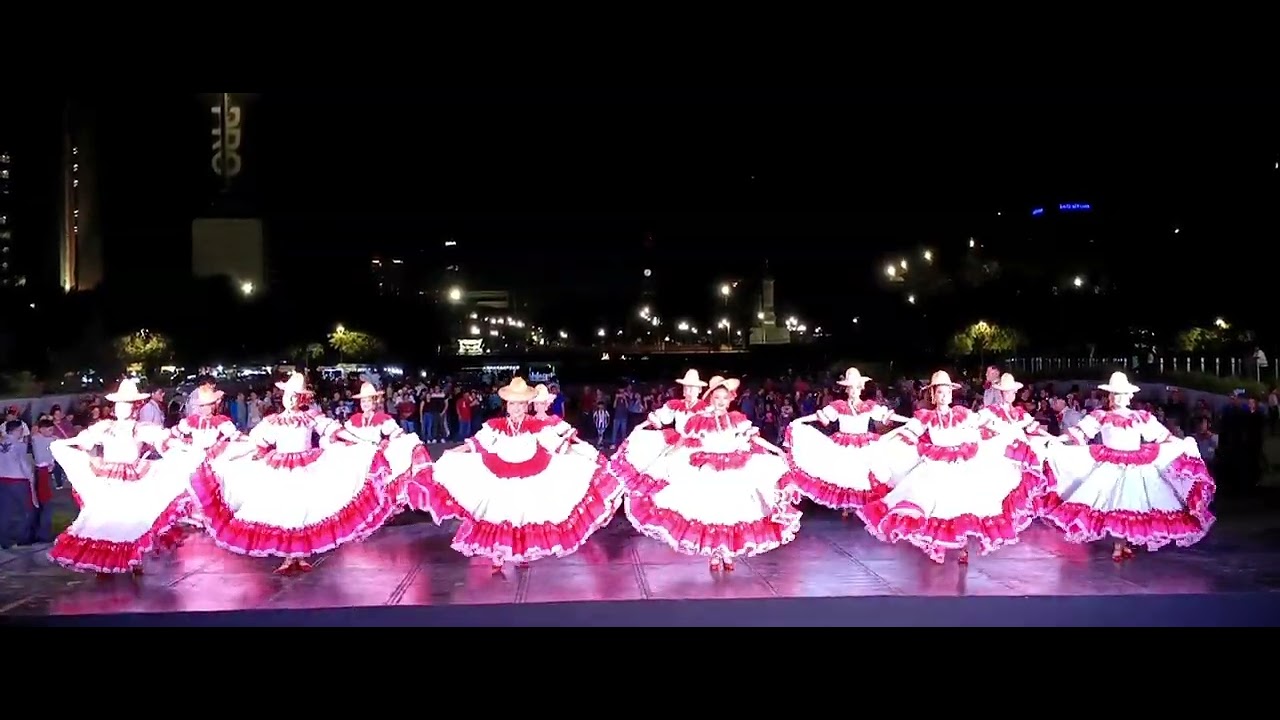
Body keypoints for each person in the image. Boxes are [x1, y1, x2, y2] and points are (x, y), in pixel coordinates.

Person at [187, 372, 396, 575]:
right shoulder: (273, 420)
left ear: (301, 398)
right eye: (288, 395)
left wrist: (359, 442)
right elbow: (258, 441)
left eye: (295, 395)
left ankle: (300, 554)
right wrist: (242, 453)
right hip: (280, 466)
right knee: (284, 511)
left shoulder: (310, 417)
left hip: (306, 465)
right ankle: (288, 556)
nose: (291, 399)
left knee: (302, 511)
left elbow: (332, 429)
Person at [426, 377, 623, 574]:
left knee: (523, 517)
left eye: (520, 404)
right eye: (513, 403)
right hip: (499, 476)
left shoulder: (537, 427)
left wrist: (589, 455)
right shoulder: (495, 426)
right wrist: (452, 453)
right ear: (507, 405)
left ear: (527, 405)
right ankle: (498, 557)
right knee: (498, 515)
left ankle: (521, 554)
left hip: (529, 476)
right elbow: (475, 444)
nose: (517, 408)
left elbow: (559, 444)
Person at [857, 370, 1045, 565]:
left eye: (947, 391)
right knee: (936, 508)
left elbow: (983, 424)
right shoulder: (925, 417)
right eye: (940, 392)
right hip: (934, 466)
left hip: (959, 464)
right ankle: (937, 546)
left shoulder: (962, 414)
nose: (944, 395)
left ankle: (962, 549)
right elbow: (909, 433)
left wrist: (1007, 437)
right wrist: (888, 428)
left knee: (960, 506)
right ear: (933, 394)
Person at [624, 376, 801, 572]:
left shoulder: (736, 419)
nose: (720, 402)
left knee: (730, 512)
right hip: (709, 468)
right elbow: (684, 438)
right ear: (711, 399)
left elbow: (753, 437)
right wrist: (670, 454)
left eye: (724, 398)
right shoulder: (700, 421)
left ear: (730, 399)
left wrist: (776, 450)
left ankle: (727, 553)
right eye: (717, 398)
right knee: (712, 513)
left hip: (733, 467)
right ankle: (715, 554)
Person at [1038, 372, 1216, 561]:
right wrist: (1058, 440)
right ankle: (1118, 545)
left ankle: (1123, 544)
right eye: (1116, 394)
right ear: (1110, 396)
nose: (1119, 398)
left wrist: (1182, 444)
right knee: (1115, 504)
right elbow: (1080, 433)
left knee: (1132, 504)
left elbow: (1161, 436)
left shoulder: (1141, 417)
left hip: (1136, 465)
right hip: (1110, 463)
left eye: (1123, 394)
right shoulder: (1100, 416)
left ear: (1129, 396)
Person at [47, 380, 199, 576]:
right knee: (103, 520)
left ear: (134, 407)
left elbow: (164, 441)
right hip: (108, 477)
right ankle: (104, 564)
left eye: (126, 404)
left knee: (131, 520)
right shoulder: (105, 426)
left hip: (133, 478)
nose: (122, 408)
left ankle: (133, 561)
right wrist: (65, 443)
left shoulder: (141, 428)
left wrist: (185, 446)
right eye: (119, 404)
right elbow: (85, 441)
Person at [785, 367, 895, 515]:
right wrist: (799, 421)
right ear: (846, 390)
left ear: (861, 388)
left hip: (864, 442)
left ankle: (861, 506)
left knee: (864, 474)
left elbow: (885, 416)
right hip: (844, 441)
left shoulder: (868, 406)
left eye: (856, 387)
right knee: (845, 473)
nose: (854, 390)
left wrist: (911, 422)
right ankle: (847, 506)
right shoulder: (839, 406)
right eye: (850, 387)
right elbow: (821, 417)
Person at [333, 381, 433, 516]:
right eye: (363, 401)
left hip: (373, 456)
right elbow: (344, 433)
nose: (365, 404)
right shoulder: (354, 419)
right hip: (357, 455)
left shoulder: (382, 418)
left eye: (368, 400)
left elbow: (395, 432)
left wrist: (406, 440)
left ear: (374, 402)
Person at [611, 369, 707, 487]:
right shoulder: (676, 405)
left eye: (692, 388)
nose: (689, 391)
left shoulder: (705, 409)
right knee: (655, 465)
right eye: (686, 388)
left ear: (699, 390)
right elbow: (659, 415)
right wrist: (640, 426)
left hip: (693, 445)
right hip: (675, 440)